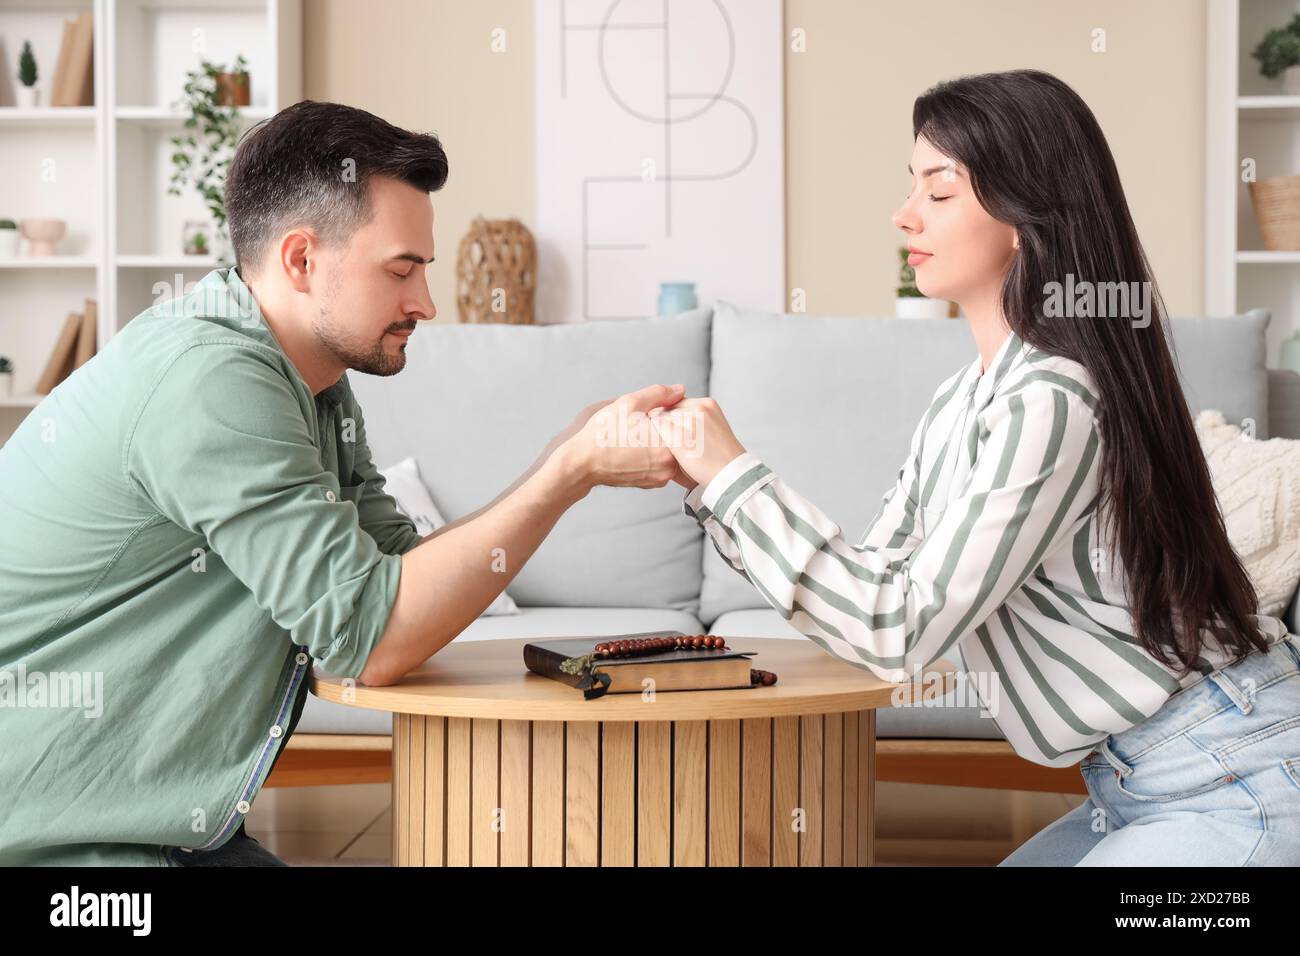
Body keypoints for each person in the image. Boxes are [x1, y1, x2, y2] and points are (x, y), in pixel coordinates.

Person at [0, 101, 689, 866]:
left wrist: (561, 456)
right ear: (300, 260)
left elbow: (398, 577)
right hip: (56, 838)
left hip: (165, 829)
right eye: (402, 269)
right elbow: (369, 636)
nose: (425, 303)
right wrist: (569, 476)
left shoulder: (314, 384)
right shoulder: (210, 380)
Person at [650, 70, 1300, 866]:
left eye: (940, 190)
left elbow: (897, 634)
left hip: (1235, 777)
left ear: (1023, 216)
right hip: (1132, 789)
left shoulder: (1053, 399)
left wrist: (736, 478)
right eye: (911, 185)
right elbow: (874, 592)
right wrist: (716, 491)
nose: (905, 214)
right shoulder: (966, 402)